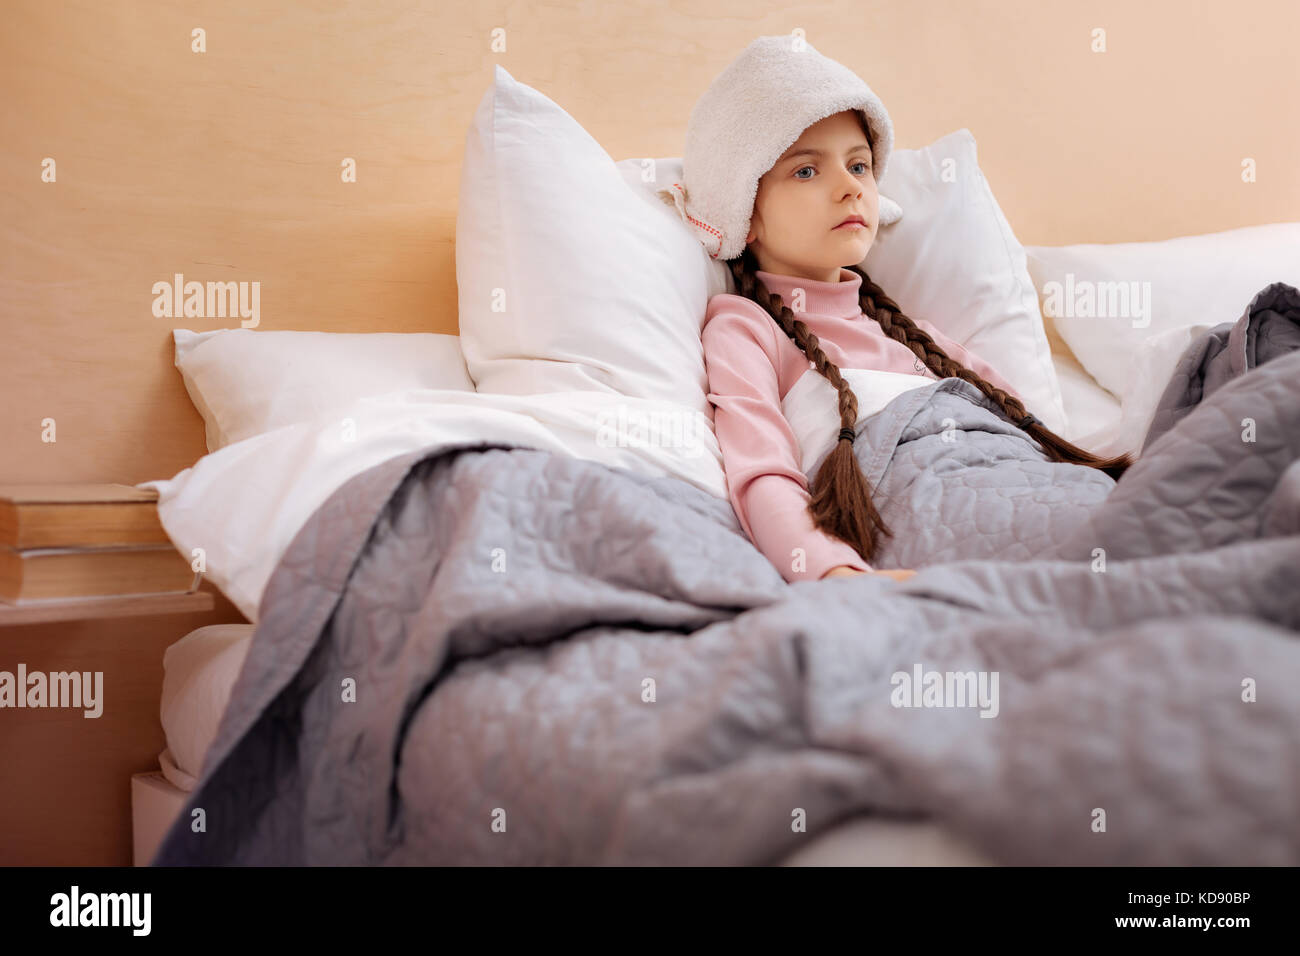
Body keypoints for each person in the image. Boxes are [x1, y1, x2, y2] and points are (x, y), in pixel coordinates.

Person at [659, 36, 1131, 585]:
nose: (849, 189)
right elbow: (761, 471)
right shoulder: (745, 327)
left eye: (859, 167)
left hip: (1022, 480)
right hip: (928, 502)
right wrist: (833, 573)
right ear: (745, 213)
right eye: (807, 171)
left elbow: (1030, 438)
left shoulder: (915, 336)